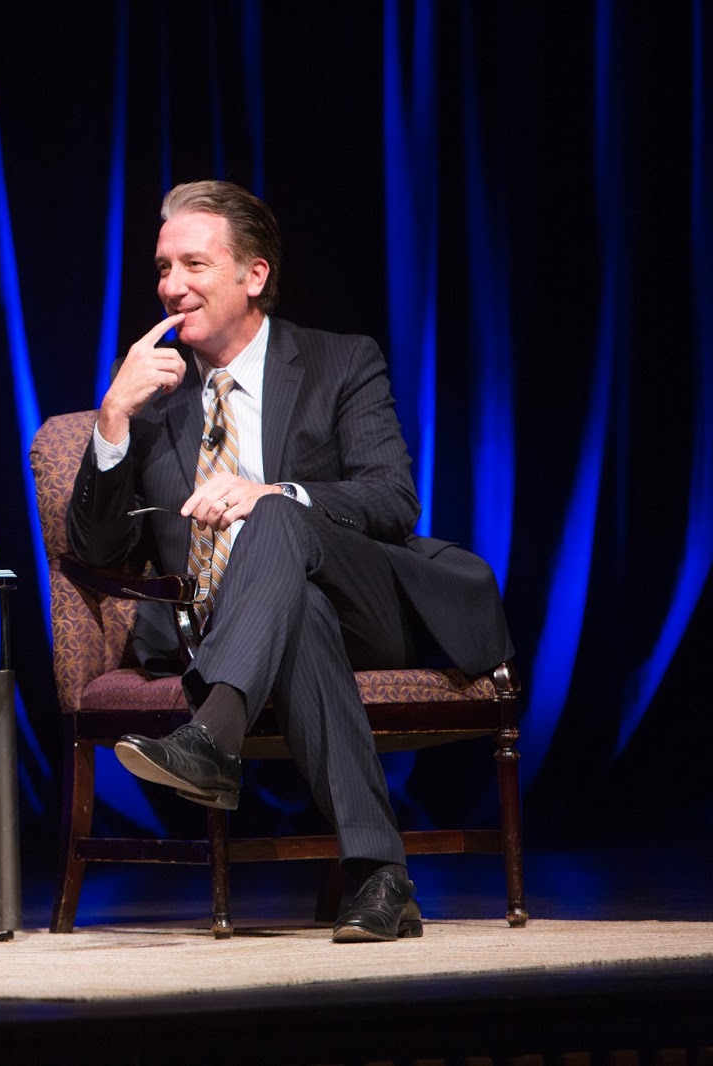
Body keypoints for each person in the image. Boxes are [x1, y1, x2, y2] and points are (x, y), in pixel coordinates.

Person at [67, 180, 513, 943]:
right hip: (230, 625)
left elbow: (392, 499)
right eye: (162, 268)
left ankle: (211, 739)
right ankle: (382, 879)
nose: (171, 287)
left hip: (365, 606)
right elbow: (97, 552)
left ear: (254, 274)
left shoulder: (341, 363)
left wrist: (273, 492)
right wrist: (113, 417)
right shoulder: (155, 398)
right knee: (295, 613)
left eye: (194, 265)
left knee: (276, 517)